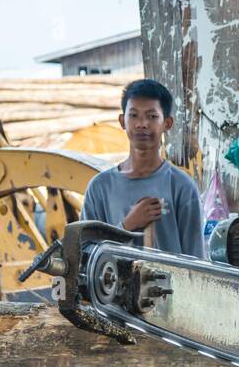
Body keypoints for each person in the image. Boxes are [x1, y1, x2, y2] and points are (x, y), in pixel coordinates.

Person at [82, 79, 206, 259]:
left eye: (152, 116)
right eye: (134, 115)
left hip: (170, 287)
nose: (142, 124)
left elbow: (196, 260)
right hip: (116, 287)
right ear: (122, 121)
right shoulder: (100, 188)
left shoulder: (182, 187)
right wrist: (126, 226)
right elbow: (86, 254)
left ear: (167, 124)